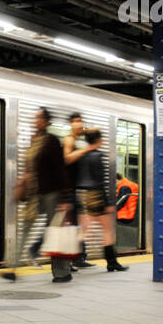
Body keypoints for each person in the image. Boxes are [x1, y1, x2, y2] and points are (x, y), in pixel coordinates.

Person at [4, 107, 72, 282]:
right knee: (25, 229)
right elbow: (32, 168)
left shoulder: (51, 141)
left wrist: (65, 198)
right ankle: (13, 268)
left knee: (54, 232)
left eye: (39, 118)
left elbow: (60, 170)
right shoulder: (35, 141)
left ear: (47, 121)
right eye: (35, 118)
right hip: (34, 196)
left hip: (51, 194)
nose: (36, 121)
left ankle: (62, 272)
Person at [76, 129, 127, 272]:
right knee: (108, 230)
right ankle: (112, 262)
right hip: (96, 195)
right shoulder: (99, 156)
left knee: (83, 230)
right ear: (98, 139)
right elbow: (100, 181)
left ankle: (71, 258)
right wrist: (108, 203)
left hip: (83, 195)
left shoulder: (81, 156)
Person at [63, 112, 94, 269]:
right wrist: (85, 149)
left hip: (75, 188)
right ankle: (73, 259)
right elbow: (67, 158)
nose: (78, 124)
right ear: (70, 124)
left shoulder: (80, 140)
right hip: (67, 189)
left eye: (80, 121)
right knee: (74, 225)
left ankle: (78, 257)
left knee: (81, 223)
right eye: (75, 121)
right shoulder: (69, 139)